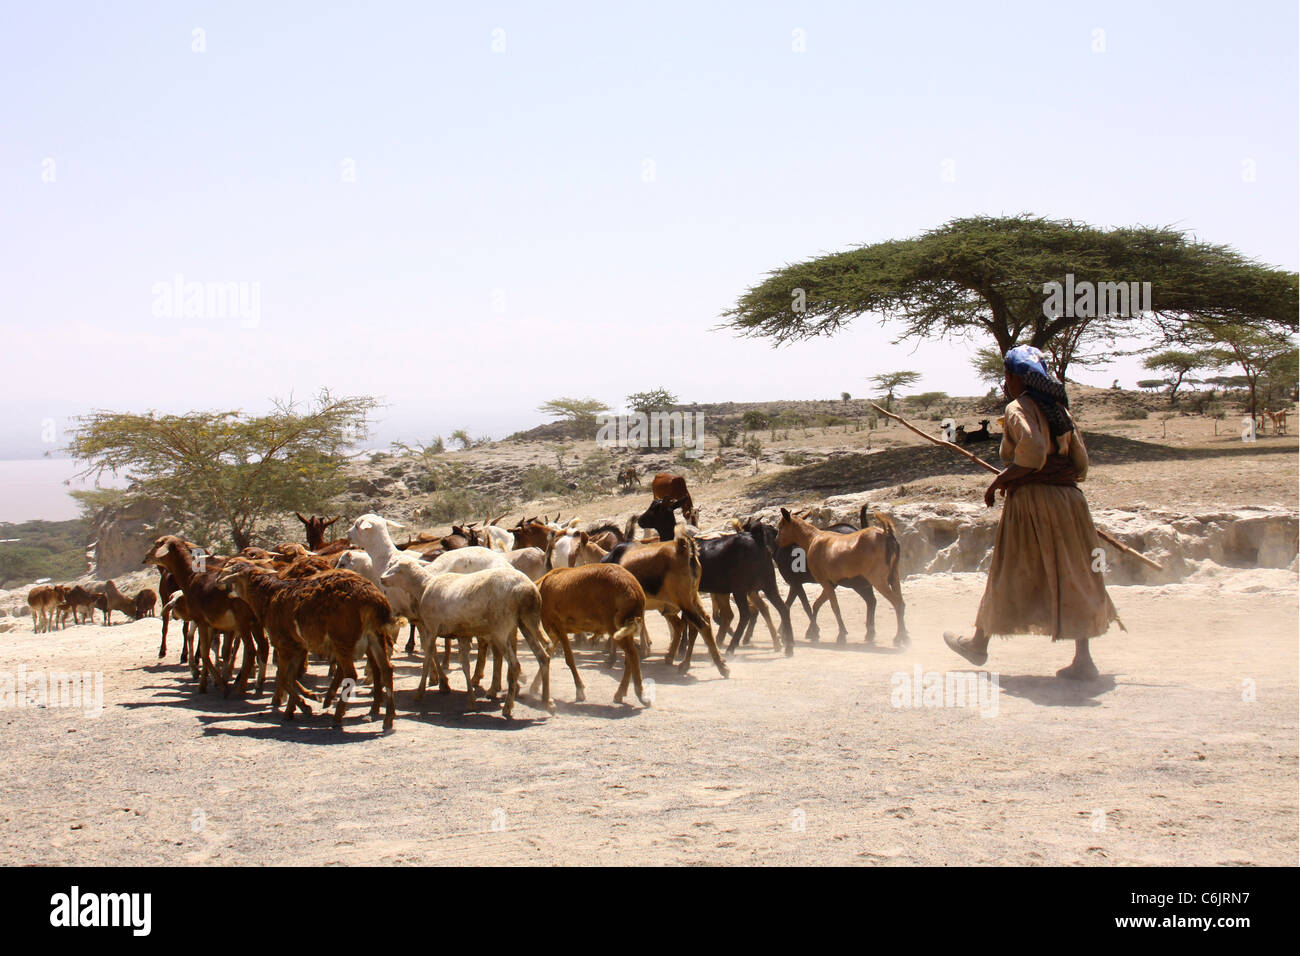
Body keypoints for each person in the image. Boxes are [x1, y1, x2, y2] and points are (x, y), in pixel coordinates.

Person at [944, 346, 1120, 679]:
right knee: (1074, 570)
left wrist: (1000, 481)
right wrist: (1058, 478)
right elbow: (1080, 464)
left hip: (1033, 503)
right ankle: (1083, 660)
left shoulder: (1017, 407)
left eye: (1006, 377)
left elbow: (1033, 452)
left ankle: (978, 644)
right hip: (1071, 502)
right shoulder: (1060, 411)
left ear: (1013, 378)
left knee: (1009, 569)